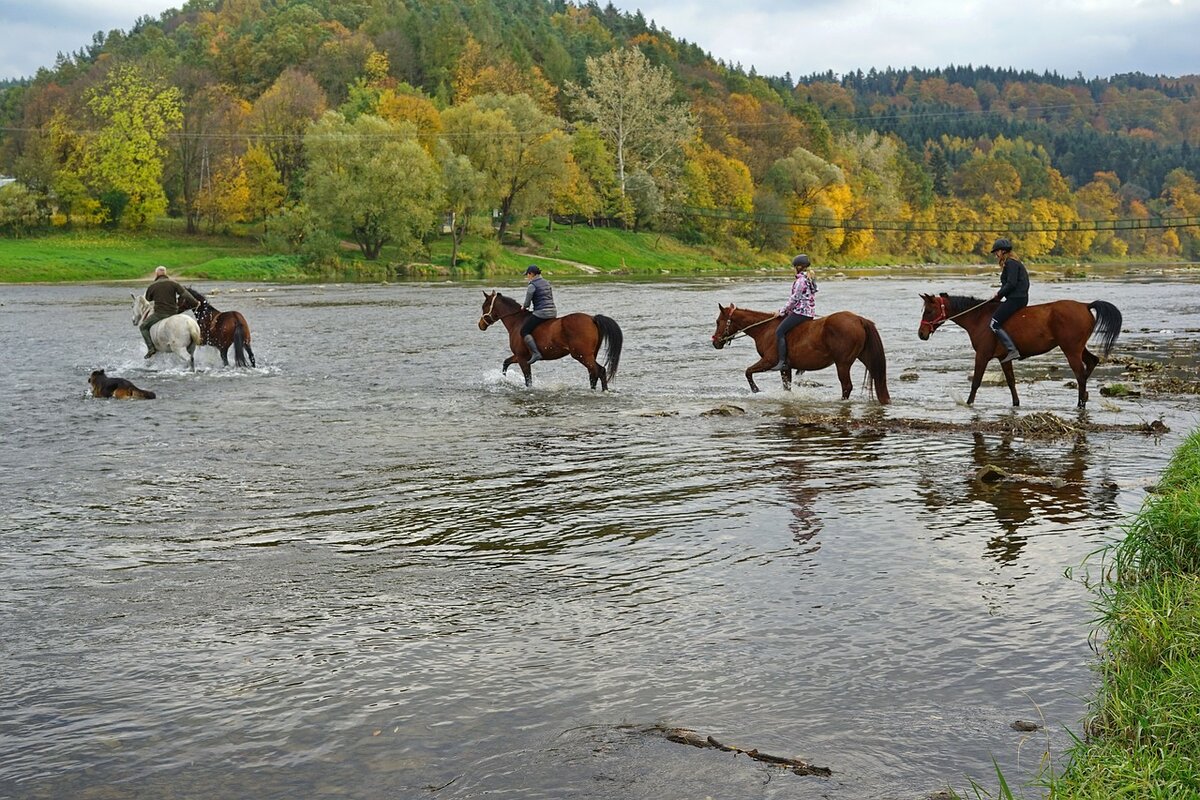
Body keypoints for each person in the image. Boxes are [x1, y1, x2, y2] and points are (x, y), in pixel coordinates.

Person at [140, 266, 198, 358]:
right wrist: (195, 302)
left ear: (156, 274)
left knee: (143, 327)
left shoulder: (152, 286)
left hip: (160, 314)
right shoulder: (174, 283)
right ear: (165, 273)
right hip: (174, 312)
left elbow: (148, 299)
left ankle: (151, 349)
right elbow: (185, 294)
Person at [772, 254, 817, 370]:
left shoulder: (800, 281)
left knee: (780, 332)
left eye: (794, 267)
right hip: (809, 313)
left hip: (801, 313)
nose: (793, 269)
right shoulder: (809, 278)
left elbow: (794, 299)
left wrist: (781, 311)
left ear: (798, 267)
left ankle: (782, 361)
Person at [988, 237, 1029, 364]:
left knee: (994, 323)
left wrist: (999, 295)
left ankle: (1012, 350)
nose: (996, 255)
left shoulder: (1011, 263)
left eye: (997, 252)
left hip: (1016, 299)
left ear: (1003, 251)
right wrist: (999, 296)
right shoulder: (1013, 262)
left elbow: (1011, 284)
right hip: (1018, 297)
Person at [520, 265, 557, 363]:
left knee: (524, 330)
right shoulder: (547, 282)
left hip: (542, 313)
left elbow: (527, 303)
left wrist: (523, 307)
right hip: (553, 312)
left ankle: (536, 353)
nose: (527, 277)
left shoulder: (532, 285)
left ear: (531, 274)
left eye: (527, 274)